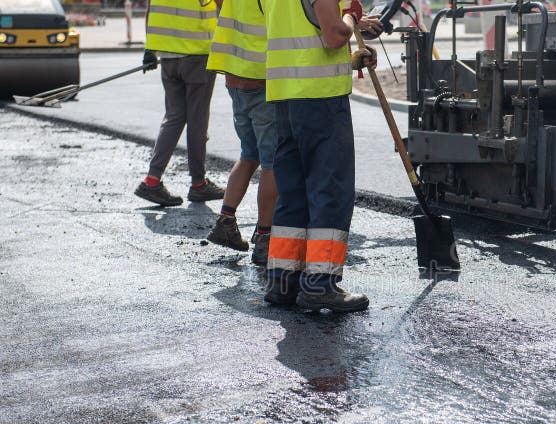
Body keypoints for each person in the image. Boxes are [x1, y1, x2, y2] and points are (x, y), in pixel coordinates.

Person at [262, 0, 380, 312]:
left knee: (294, 192)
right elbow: (334, 35)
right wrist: (351, 17)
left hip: (286, 95)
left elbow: (304, 42)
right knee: (330, 190)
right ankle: (319, 284)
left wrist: (350, 61)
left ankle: (283, 281)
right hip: (320, 98)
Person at [204, 0, 278, 264]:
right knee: (272, 162)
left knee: (249, 154)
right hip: (262, 76)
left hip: (235, 74)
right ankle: (265, 238)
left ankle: (226, 221)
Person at [134, 0, 226, 207]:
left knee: (174, 116)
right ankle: (198, 184)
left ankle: (152, 180)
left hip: (168, 54)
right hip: (197, 53)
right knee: (197, 120)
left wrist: (149, 49)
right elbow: (226, 6)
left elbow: (151, 9)